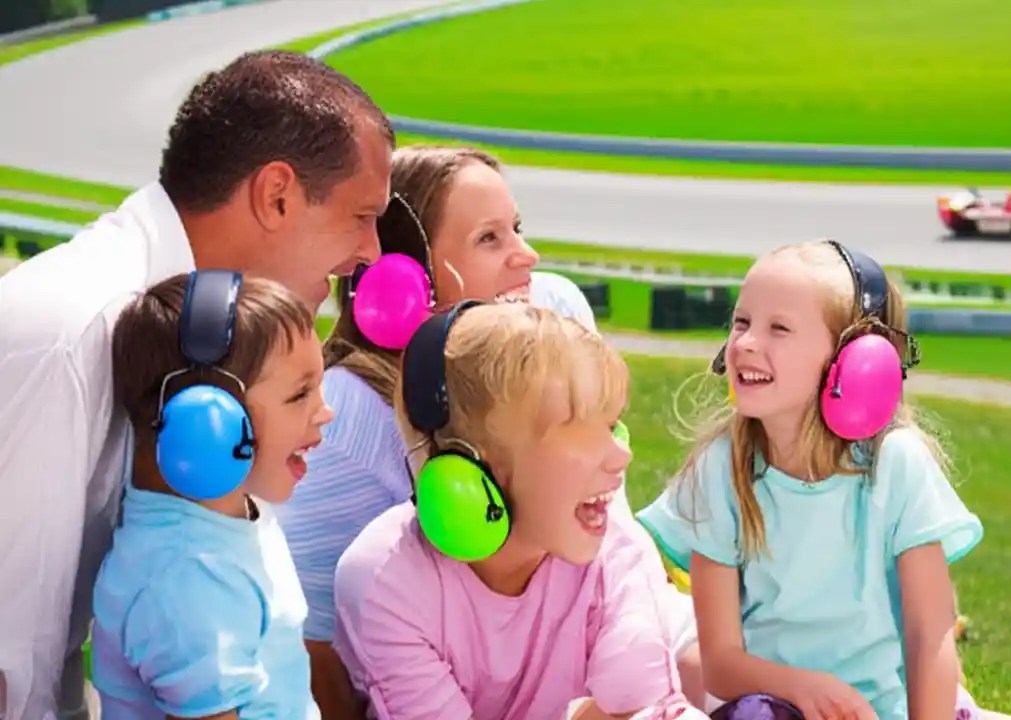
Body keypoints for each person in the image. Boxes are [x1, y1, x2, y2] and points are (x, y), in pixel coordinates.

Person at [0, 49, 393, 720]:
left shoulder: (202, 347)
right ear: (276, 195)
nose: (373, 254)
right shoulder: (67, 333)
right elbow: (13, 666)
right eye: (362, 215)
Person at [275, 145, 699, 717]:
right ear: (405, 279)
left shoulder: (552, 313)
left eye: (517, 229)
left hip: (599, 639)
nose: (527, 256)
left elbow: (611, 552)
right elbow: (314, 642)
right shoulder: (347, 419)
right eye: (489, 239)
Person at [637, 240, 1008, 720]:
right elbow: (722, 668)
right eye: (742, 322)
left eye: (779, 329)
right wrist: (805, 689)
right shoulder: (720, 467)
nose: (746, 343)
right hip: (777, 709)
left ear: (854, 361)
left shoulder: (897, 465)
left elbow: (928, 633)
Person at [331, 301, 704, 720]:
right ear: (470, 468)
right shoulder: (389, 581)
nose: (622, 455)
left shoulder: (615, 549)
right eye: (580, 433)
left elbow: (644, 708)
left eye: (613, 426)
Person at [92, 271, 332, 719]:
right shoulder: (187, 576)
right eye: (300, 394)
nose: (326, 411)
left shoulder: (226, 519)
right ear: (208, 418)